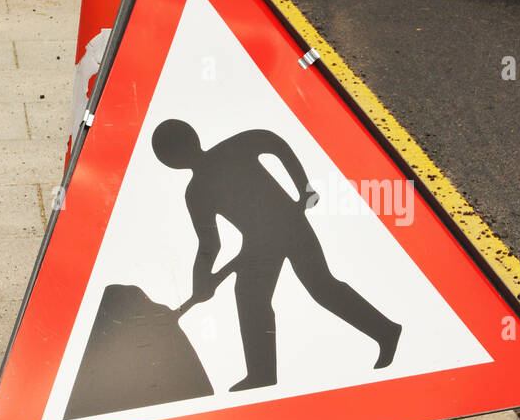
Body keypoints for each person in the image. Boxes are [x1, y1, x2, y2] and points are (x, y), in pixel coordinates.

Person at [152, 120, 401, 392]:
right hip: (260, 242)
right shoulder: (199, 189)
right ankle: (261, 375)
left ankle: (386, 331)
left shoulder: (218, 166)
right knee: (253, 296)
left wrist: (305, 187)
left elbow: (273, 142)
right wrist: (201, 282)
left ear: (169, 162)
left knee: (319, 286)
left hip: (289, 224)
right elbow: (209, 243)